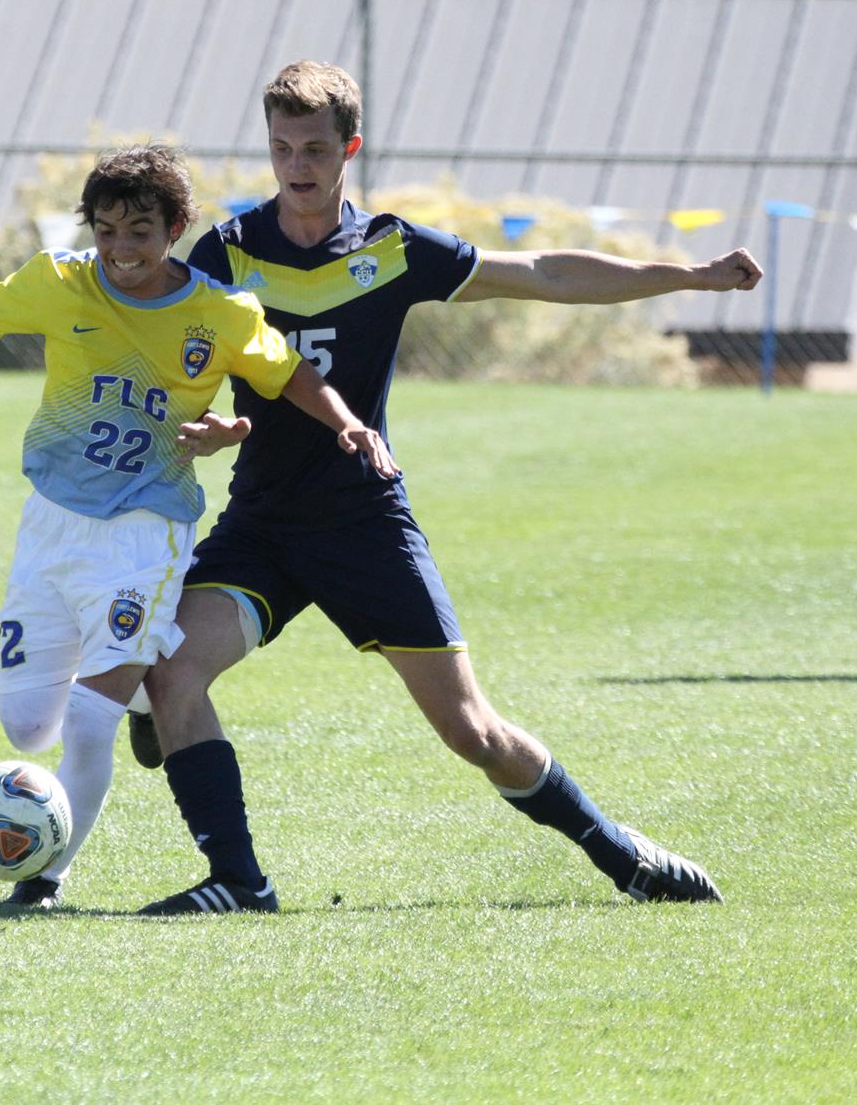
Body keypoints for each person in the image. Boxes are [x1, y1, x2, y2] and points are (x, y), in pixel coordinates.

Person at [134, 61, 763, 914]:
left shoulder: (393, 249)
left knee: (475, 733)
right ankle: (240, 883)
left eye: (315, 148)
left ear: (350, 148)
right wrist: (207, 427)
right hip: (264, 523)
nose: (297, 165)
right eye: (281, 148)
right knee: (171, 674)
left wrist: (685, 276)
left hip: (363, 520)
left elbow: (543, 271)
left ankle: (622, 854)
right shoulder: (227, 253)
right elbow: (179, 359)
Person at [0, 144, 397, 909]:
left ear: (176, 227)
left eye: (141, 231)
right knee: (25, 727)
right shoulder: (59, 282)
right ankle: (149, 697)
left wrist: (340, 424)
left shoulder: (220, 312)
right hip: (51, 525)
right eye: (108, 229)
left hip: (146, 530)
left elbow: (288, 374)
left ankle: (42, 877)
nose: (121, 249)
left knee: (87, 720)